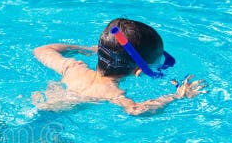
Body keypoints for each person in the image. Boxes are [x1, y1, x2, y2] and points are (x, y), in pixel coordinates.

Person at [32, 17, 206, 115]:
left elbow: (42, 50)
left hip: (35, 107)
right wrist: (176, 96)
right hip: (53, 124)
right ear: (139, 71)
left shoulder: (73, 67)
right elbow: (136, 110)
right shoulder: (113, 93)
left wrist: (85, 50)